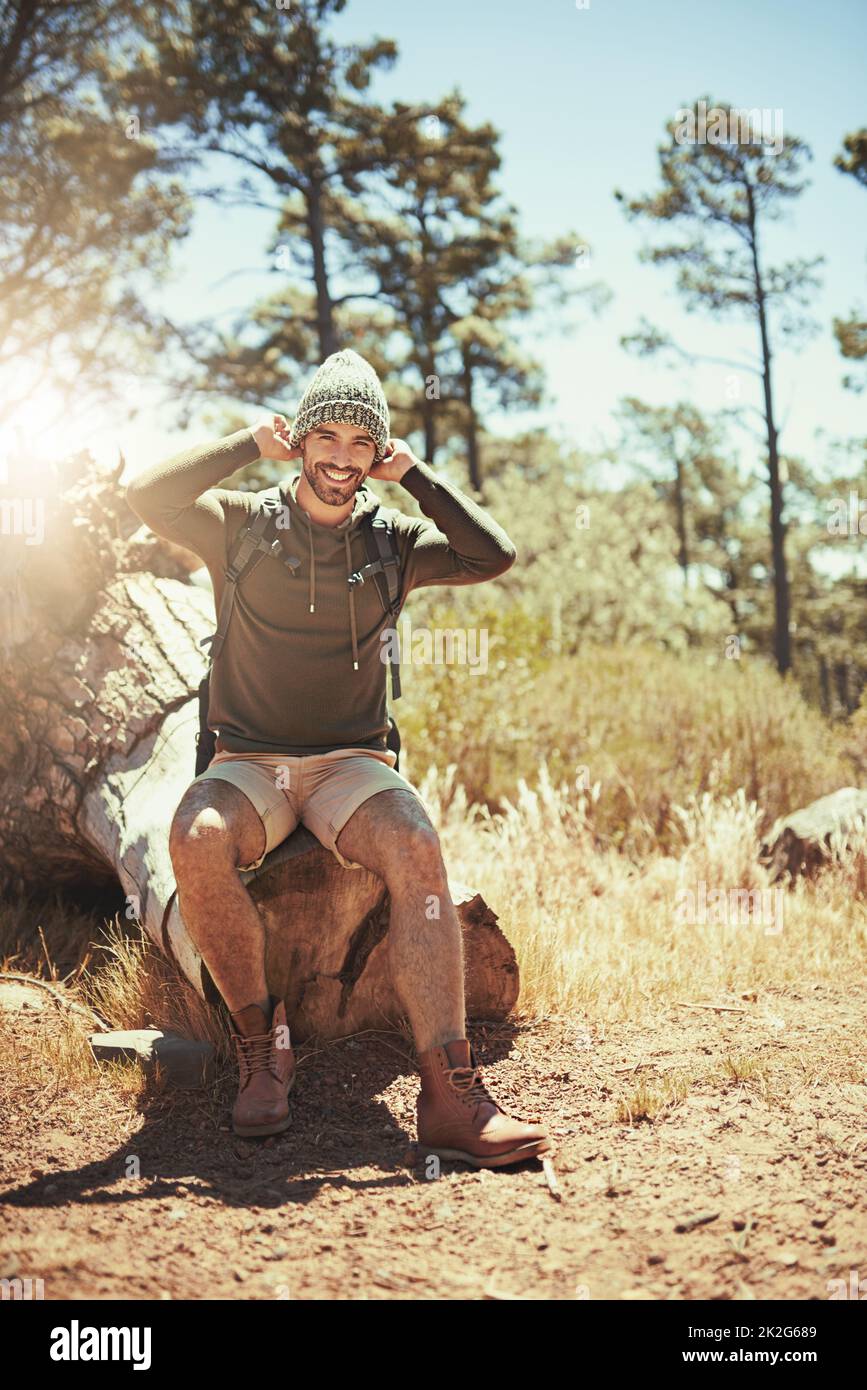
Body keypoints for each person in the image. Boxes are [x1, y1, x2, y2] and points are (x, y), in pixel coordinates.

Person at [125, 348, 552, 1168]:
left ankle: (449, 1094)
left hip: (350, 763)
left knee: (417, 844)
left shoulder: (393, 542)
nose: (342, 457)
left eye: (362, 442)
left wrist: (417, 477)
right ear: (302, 436)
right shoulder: (240, 525)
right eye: (327, 435)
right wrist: (250, 441)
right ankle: (262, 1045)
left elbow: (492, 554)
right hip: (248, 761)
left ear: (377, 453)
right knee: (195, 834)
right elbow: (145, 494)